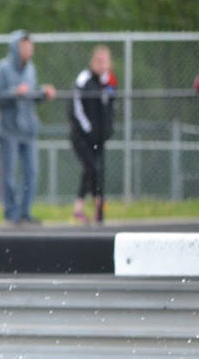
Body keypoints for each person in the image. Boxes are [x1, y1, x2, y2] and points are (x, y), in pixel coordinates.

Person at [0, 30, 55, 226]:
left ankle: (26, 212)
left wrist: (42, 93)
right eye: (23, 46)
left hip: (28, 130)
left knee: (31, 172)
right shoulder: (2, 68)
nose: (28, 50)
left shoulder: (31, 69)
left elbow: (30, 96)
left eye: (30, 46)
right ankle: (12, 213)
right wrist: (14, 93)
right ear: (15, 48)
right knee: (9, 174)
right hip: (9, 130)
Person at [69, 45, 116, 225]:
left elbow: (111, 107)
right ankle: (92, 204)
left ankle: (86, 208)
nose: (102, 64)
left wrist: (107, 130)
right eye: (99, 60)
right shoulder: (84, 79)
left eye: (105, 61)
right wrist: (87, 130)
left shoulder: (109, 81)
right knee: (92, 168)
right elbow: (75, 107)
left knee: (93, 171)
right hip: (82, 137)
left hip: (100, 137)